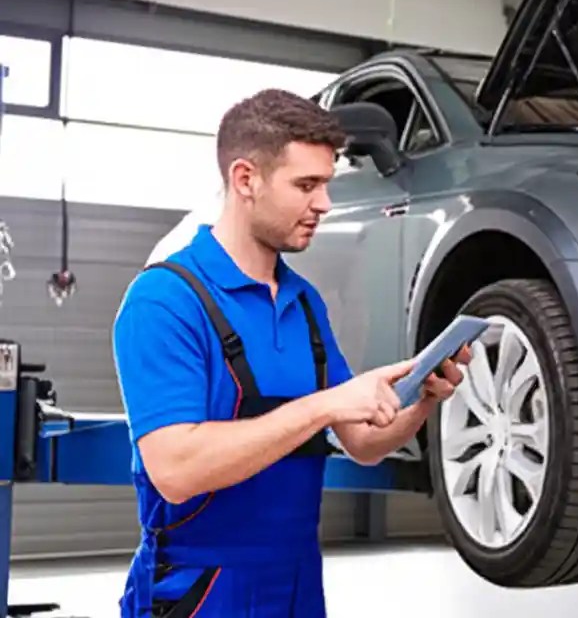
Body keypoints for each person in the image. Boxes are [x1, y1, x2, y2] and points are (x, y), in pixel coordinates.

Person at [111, 88, 470, 616]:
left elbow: (363, 444)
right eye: (306, 185)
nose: (324, 203)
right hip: (200, 591)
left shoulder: (304, 303)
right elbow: (176, 470)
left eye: (325, 184)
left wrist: (421, 400)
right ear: (245, 180)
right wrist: (324, 406)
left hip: (298, 582)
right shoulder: (164, 301)